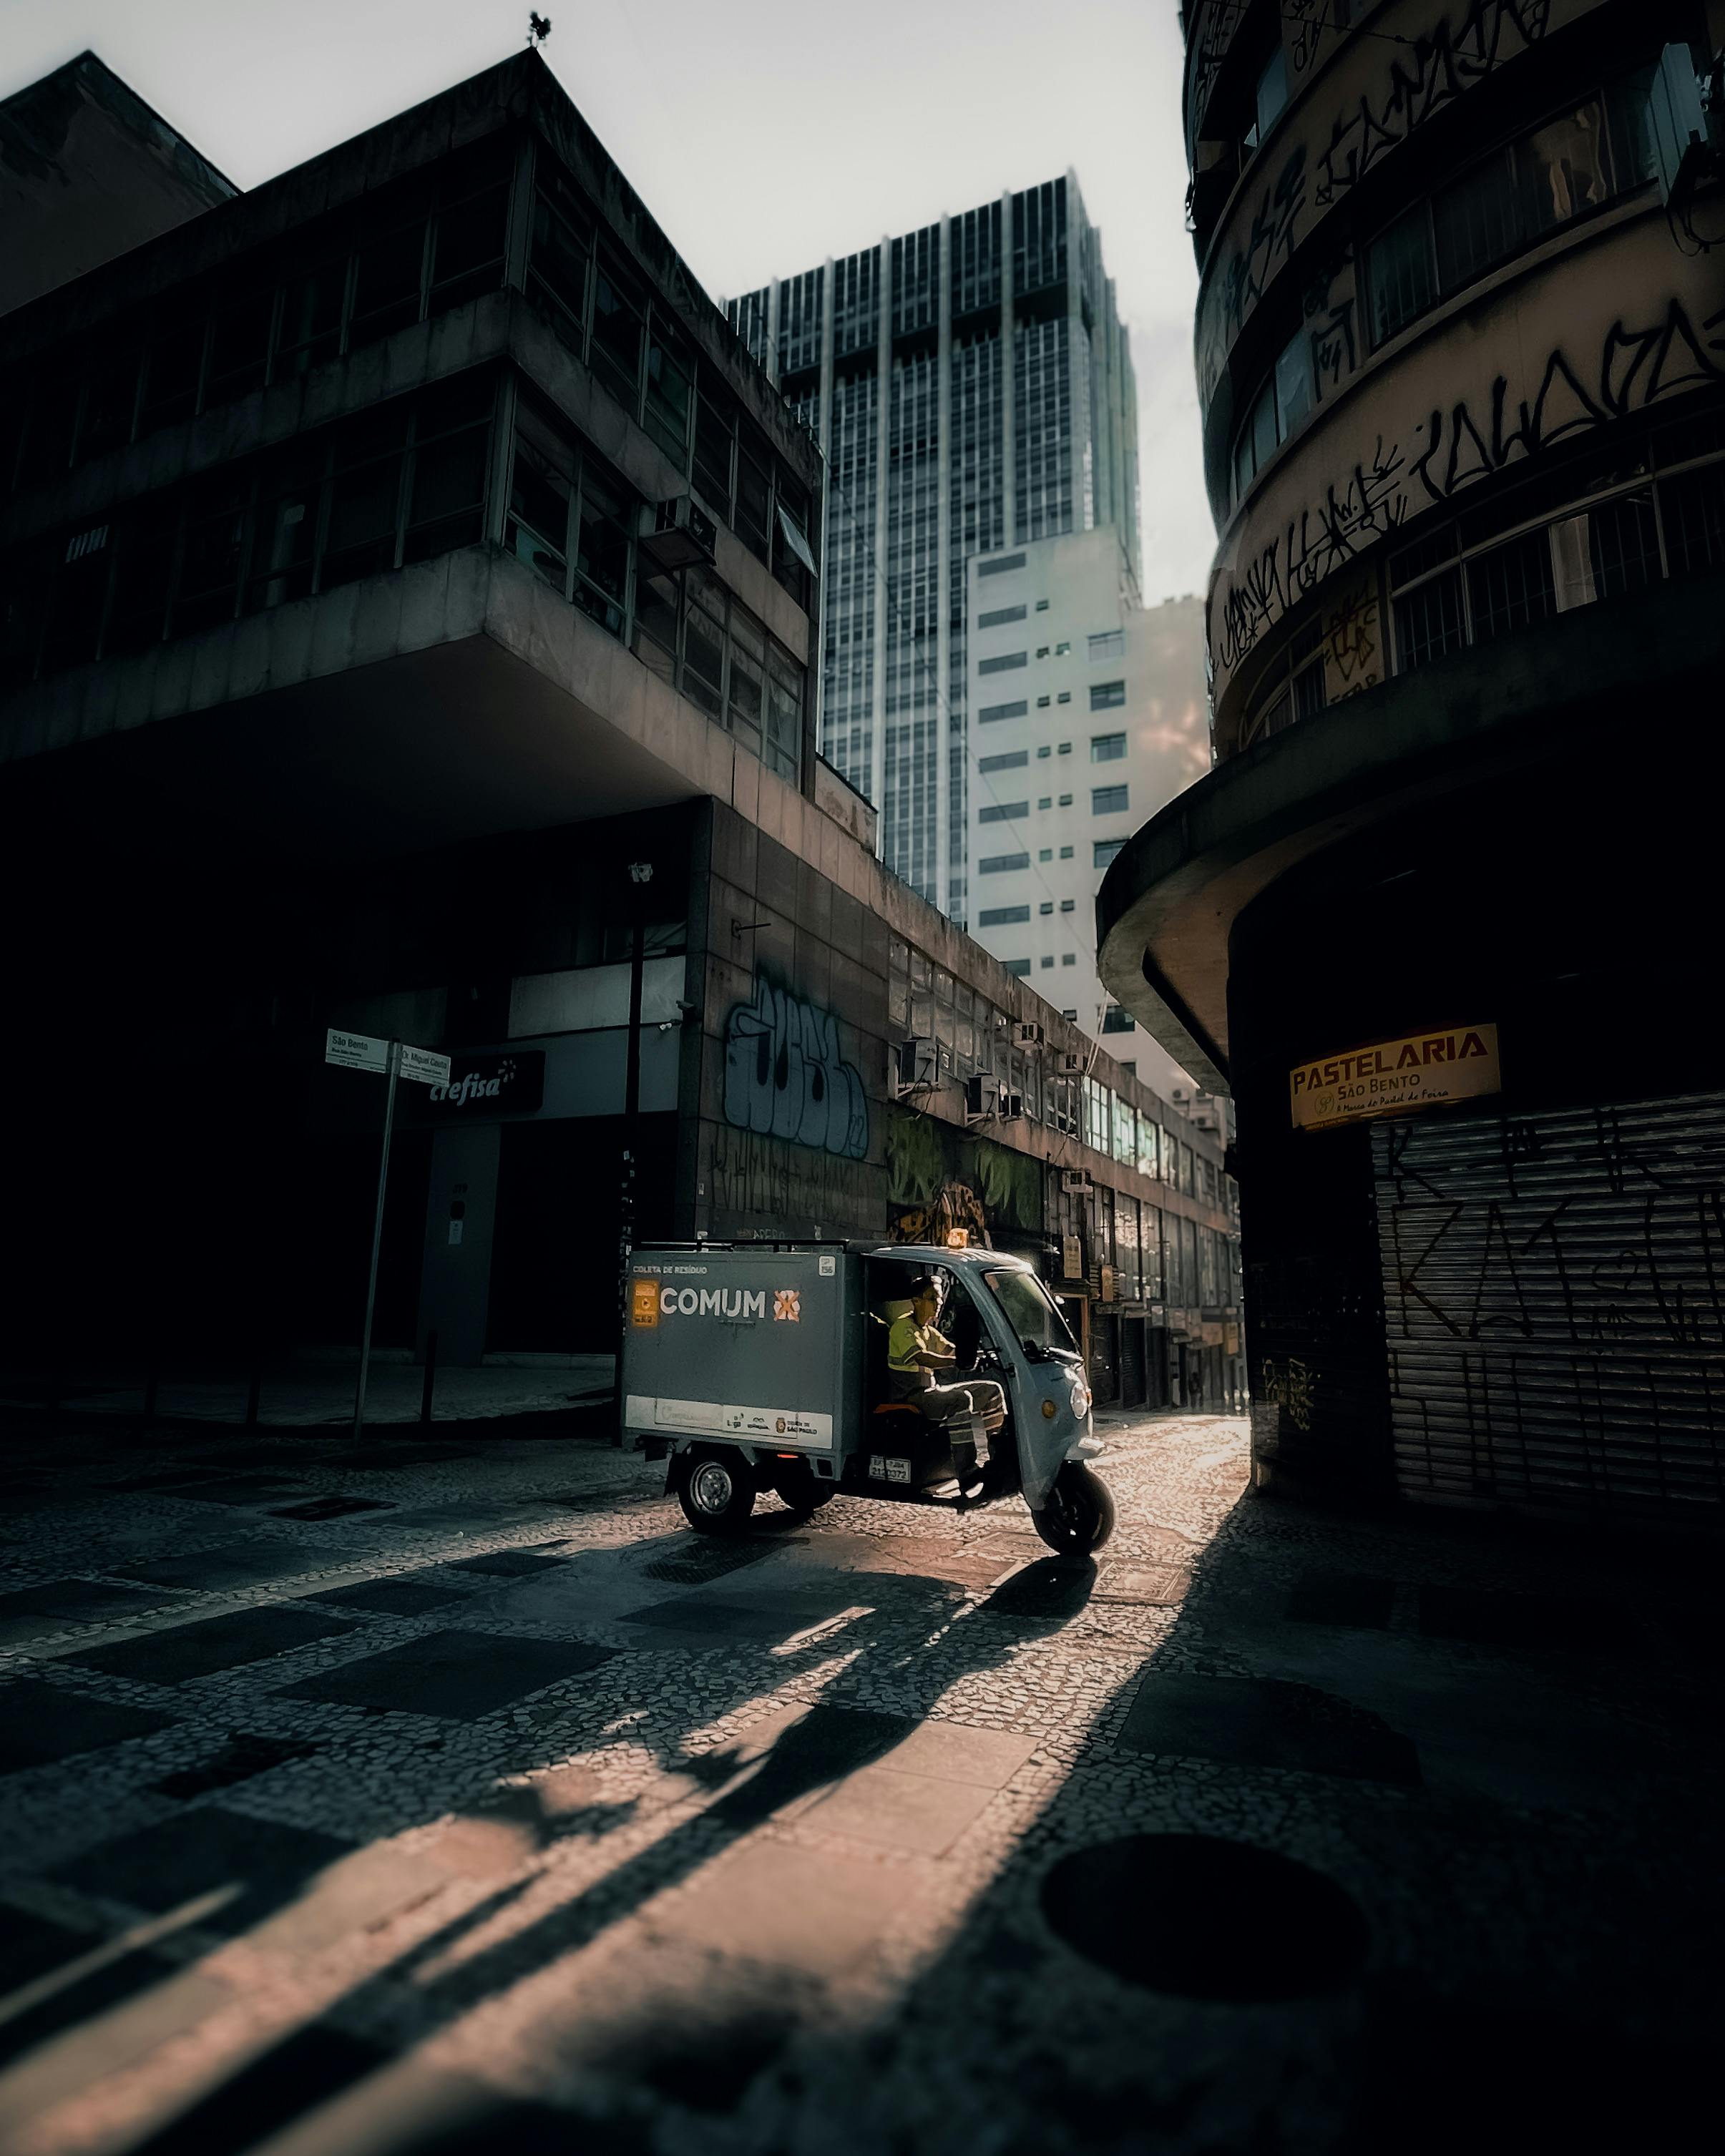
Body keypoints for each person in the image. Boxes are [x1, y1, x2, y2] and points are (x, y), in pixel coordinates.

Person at [884, 1273, 1008, 1454]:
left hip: (932, 1391)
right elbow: (923, 1358)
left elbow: (952, 1351)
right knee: (961, 1399)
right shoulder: (903, 1328)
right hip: (912, 1396)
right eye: (932, 1298)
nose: (939, 1303)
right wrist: (958, 1362)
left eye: (940, 1298)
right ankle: (964, 1462)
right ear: (916, 1301)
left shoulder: (929, 1331)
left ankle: (997, 1452)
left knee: (992, 1390)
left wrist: (983, 1355)